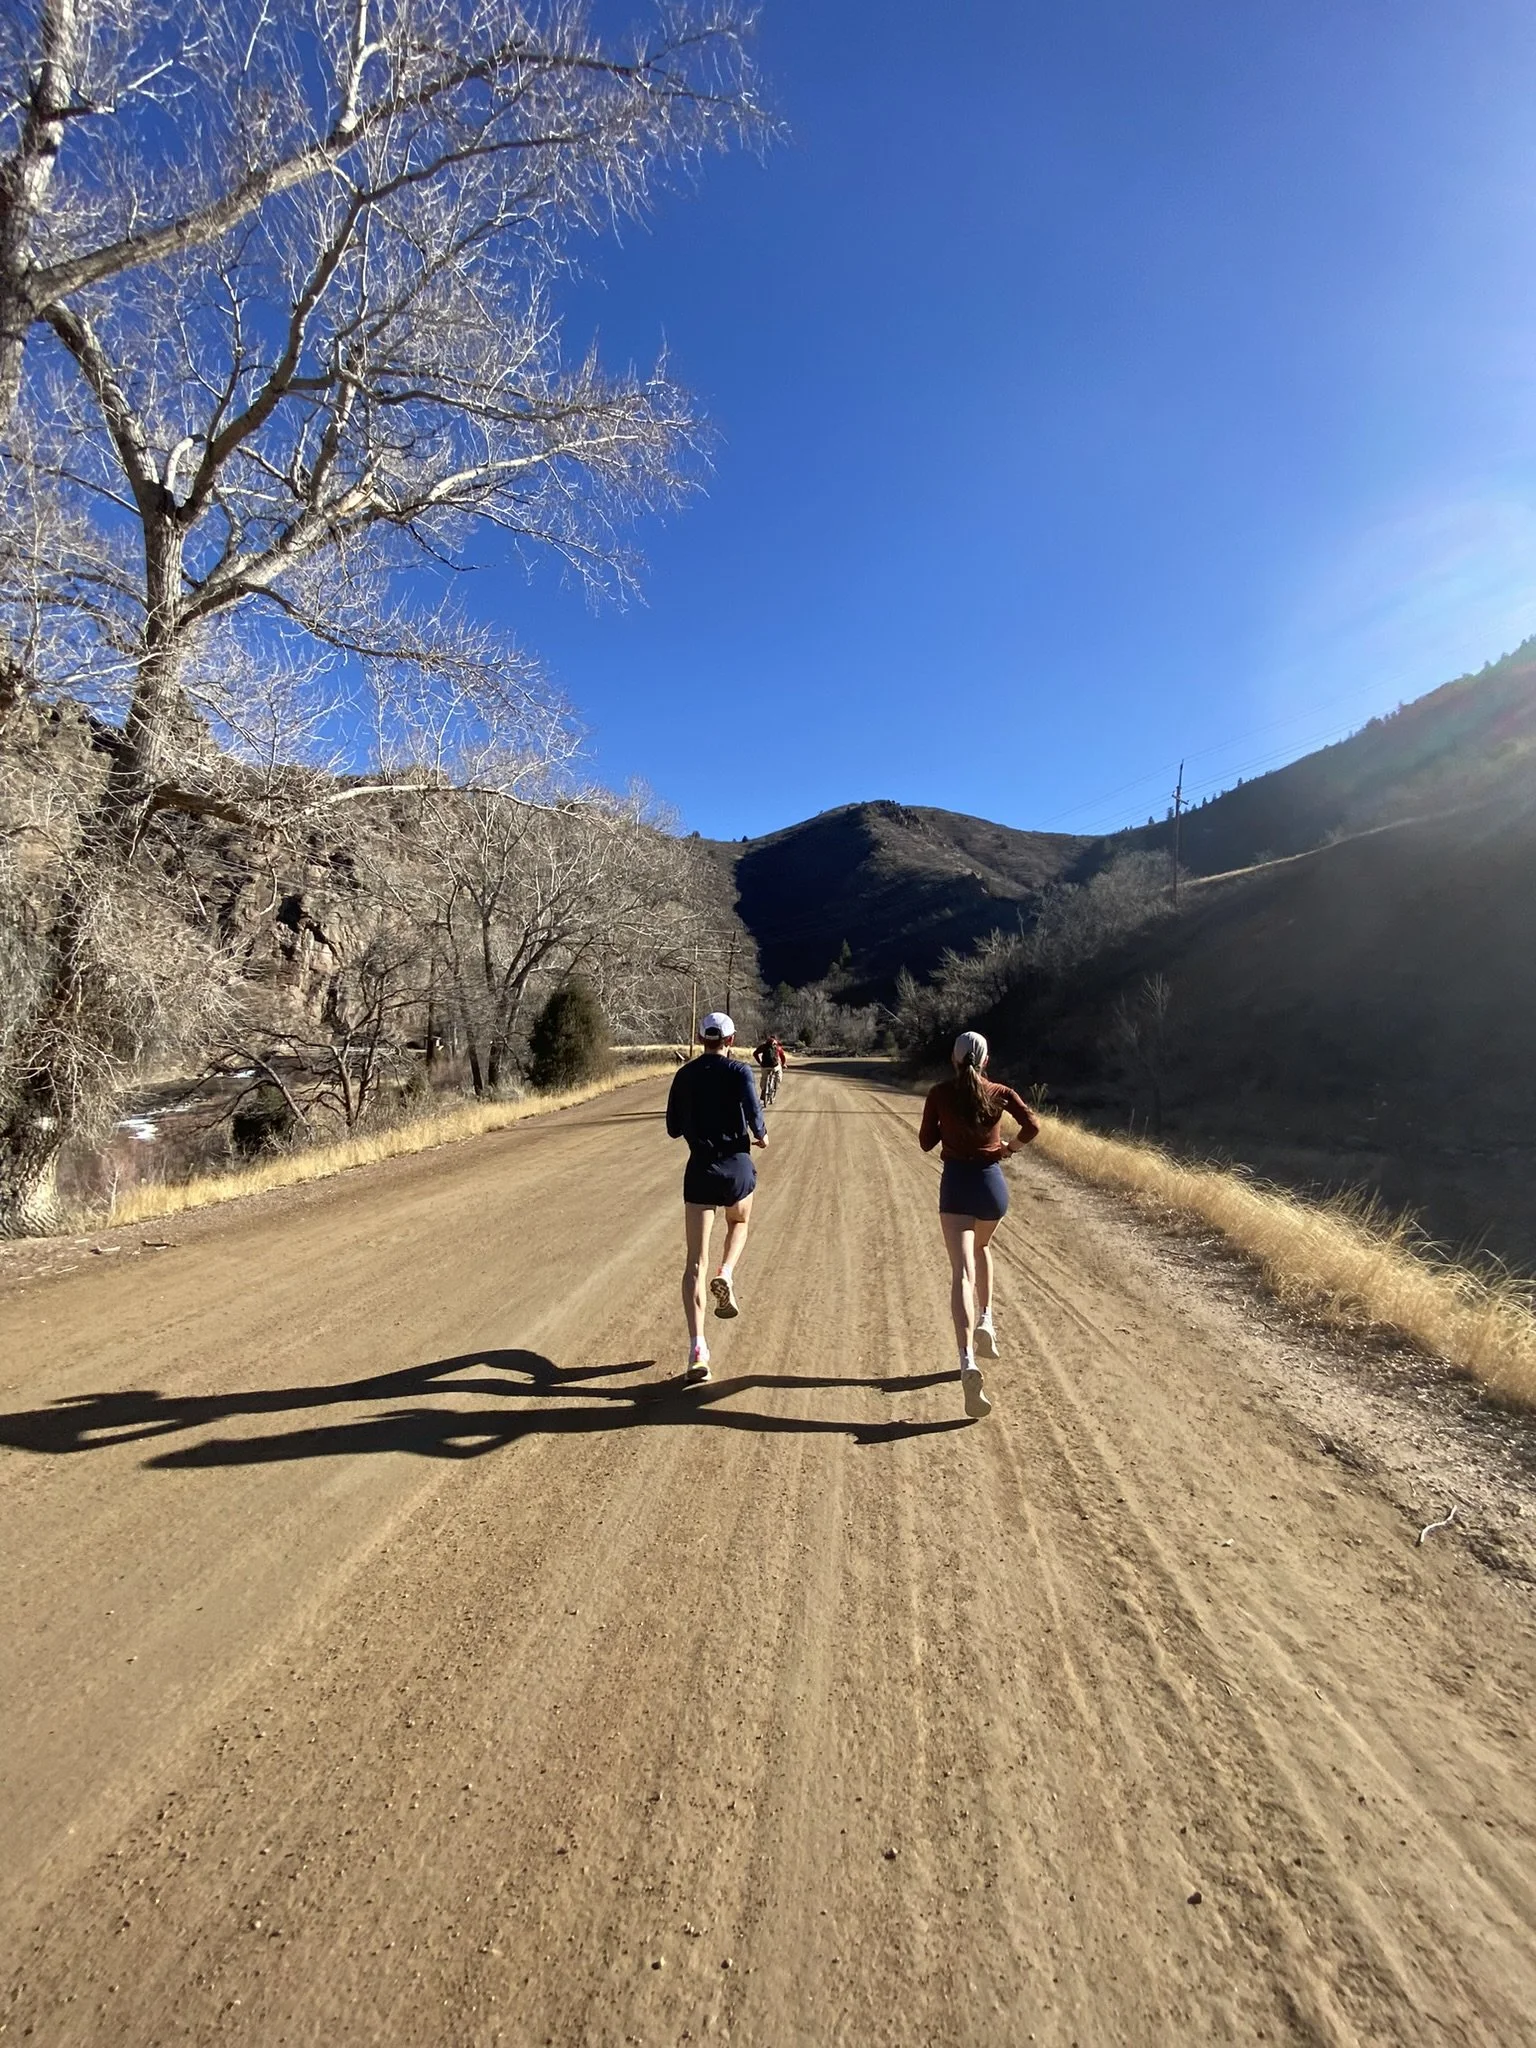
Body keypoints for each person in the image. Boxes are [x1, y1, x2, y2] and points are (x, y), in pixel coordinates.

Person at [918, 1030, 1040, 1419]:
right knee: (984, 1248)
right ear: (985, 1060)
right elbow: (1032, 1126)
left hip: (955, 1185)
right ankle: (987, 1318)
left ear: (954, 1059)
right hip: (991, 1186)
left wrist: (946, 1128)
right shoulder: (1000, 1093)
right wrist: (1008, 1148)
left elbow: (925, 1142)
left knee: (961, 1274)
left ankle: (967, 1358)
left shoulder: (940, 1093)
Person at [666, 1012, 768, 1383]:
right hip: (736, 1165)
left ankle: (698, 1349)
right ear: (731, 1038)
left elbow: (673, 1129)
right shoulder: (740, 1072)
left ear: (700, 1037)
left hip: (700, 1170)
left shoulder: (684, 1075)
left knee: (695, 1263)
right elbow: (753, 1111)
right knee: (739, 1222)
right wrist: (761, 1132)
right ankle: (727, 1272)